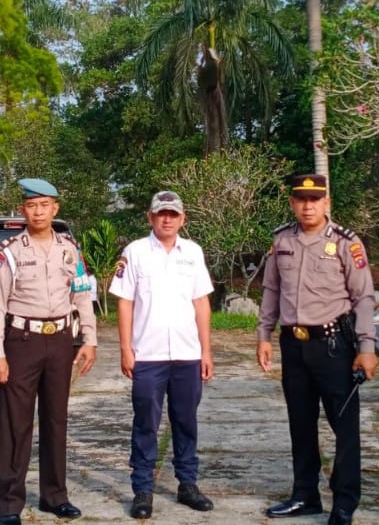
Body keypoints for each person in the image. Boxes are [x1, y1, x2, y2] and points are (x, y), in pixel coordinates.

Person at [256, 173, 379, 525]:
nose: (307, 206)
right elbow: (271, 292)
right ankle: (305, 495)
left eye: (315, 199)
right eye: (300, 199)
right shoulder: (281, 240)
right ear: (293, 203)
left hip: (333, 346)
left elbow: (364, 297)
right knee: (301, 423)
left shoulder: (345, 243)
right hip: (293, 346)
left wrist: (366, 347)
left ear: (326, 202)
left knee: (344, 426)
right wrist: (263, 335)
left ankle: (344, 502)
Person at [0, 178, 98, 525]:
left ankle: (54, 495)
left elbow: (81, 295)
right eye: (32, 206)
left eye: (44, 205)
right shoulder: (10, 251)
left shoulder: (69, 249)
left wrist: (89, 339)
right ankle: (9, 503)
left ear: (55, 208)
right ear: (24, 210)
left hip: (60, 340)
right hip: (22, 341)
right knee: (15, 424)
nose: (38, 211)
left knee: (55, 420)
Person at [109, 190, 215, 520]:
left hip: (187, 353)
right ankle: (142, 489)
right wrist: (126, 349)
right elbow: (124, 302)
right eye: (161, 214)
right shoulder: (135, 252)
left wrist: (206, 350)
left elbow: (201, 302)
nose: (167, 219)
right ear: (150, 217)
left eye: (173, 214)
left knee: (186, 422)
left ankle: (187, 484)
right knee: (146, 424)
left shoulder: (193, 253)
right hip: (148, 355)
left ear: (183, 218)